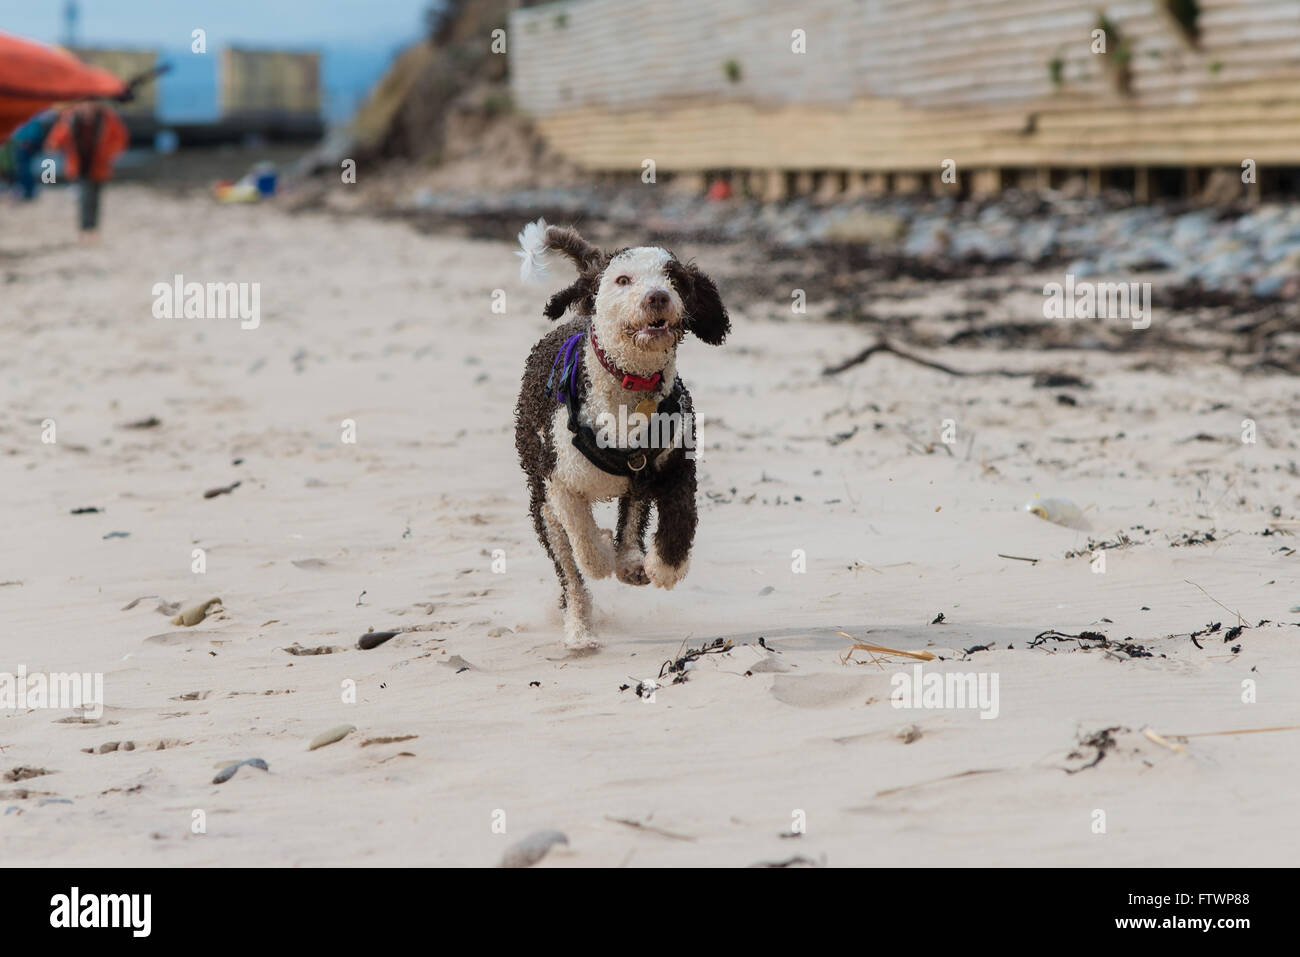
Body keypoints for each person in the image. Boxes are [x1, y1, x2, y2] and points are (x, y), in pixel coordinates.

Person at [45, 101, 128, 240]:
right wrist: (53, 145)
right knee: (85, 195)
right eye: (85, 105)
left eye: (90, 105)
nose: (87, 108)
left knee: (96, 196)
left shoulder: (107, 119)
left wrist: (110, 153)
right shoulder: (70, 118)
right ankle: (85, 229)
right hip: (79, 163)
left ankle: (93, 228)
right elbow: (59, 135)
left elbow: (119, 138)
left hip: (99, 163)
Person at [8, 111, 56, 201]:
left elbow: (33, 132)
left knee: (24, 168)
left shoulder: (31, 118)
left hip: (27, 144)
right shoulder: (29, 118)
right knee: (23, 168)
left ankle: (28, 190)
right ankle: (27, 190)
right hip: (23, 144)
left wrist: (27, 141)